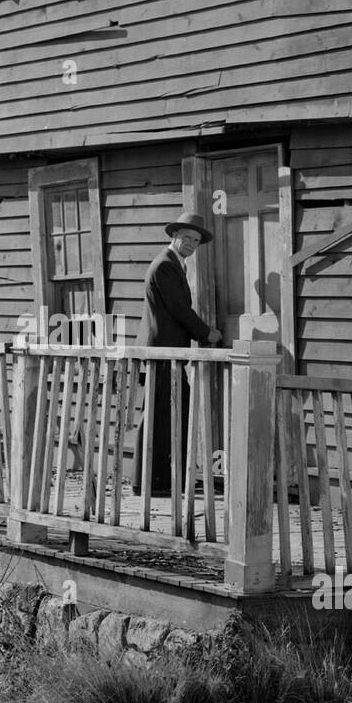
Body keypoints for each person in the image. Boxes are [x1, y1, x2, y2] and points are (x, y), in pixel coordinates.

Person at [131, 211, 221, 497]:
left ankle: (163, 479)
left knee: (168, 413)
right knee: (162, 414)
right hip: (162, 352)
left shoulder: (174, 264)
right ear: (174, 236)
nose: (191, 244)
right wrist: (207, 333)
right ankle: (152, 482)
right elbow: (179, 309)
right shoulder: (166, 266)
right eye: (187, 238)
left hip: (168, 352)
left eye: (196, 240)